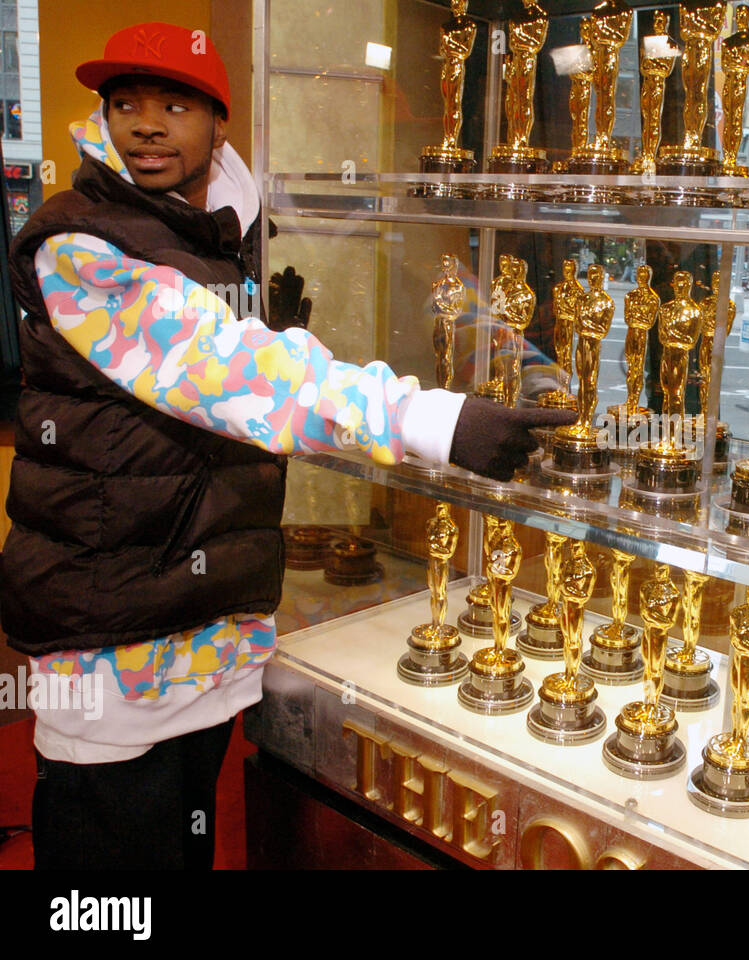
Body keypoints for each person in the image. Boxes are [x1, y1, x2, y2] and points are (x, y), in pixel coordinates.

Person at [3, 22, 575, 871]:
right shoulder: (82, 245)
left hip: (194, 633)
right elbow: (227, 371)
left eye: (173, 103)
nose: (147, 125)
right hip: (111, 639)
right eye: (124, 105)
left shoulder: (213, 234)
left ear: (219, 123)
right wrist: (431, 420)